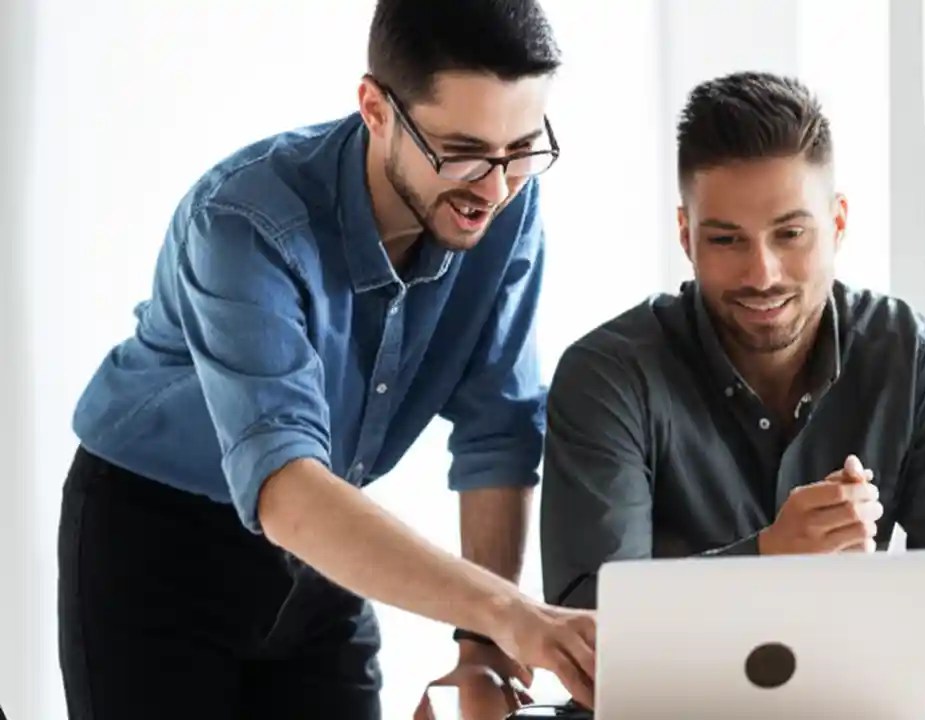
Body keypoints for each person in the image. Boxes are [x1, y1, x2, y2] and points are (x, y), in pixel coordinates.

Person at [57, 2, 595, 718]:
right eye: (461, 152)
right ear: (375, 109)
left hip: (324, 546)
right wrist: (511, 613)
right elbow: (284, 487)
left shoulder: (507, 210)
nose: (494, 189)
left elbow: (497, 432)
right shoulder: (245, 222)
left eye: (522, 150)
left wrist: (483, 649)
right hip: (156, 547)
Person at [540, 71, 925, 708]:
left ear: (838, 222)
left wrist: (836, 673)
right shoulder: (606, 378)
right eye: (726, 240)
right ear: (685, 234)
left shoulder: (913, 362)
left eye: (790, 234)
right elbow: (590, 632)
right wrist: (770, 555)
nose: (762, 273)